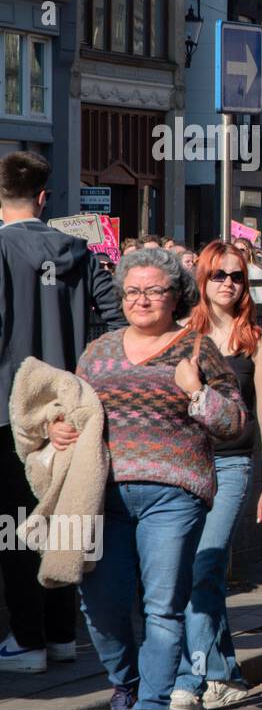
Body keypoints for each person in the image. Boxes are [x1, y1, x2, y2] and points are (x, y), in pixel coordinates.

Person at [59, 248, 246, 709]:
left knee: (163, 608)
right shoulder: (97, 352)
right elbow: (75, 412)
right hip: (104, 495)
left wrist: (197, 392)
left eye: (154, 291)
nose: (141, 300)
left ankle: (152, 704)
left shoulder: (198, 348)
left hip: (174, 494)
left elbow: (235, 422)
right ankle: (127, 682)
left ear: (176, 295)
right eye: (132, 291)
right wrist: (58, 427)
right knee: (100, 605)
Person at [0, 151, 126, 674]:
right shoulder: (77, 250)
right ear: (45, 198)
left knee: (13, 526)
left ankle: (26, 641)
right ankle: (60, 636)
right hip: (72, 409)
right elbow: (117, 319)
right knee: (60, 520)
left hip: (10, 412)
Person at [170, 242, 262, 710]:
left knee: (206, 565)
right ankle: (226, 673)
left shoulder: (256, 341)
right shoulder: (177, 336)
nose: (229, 284)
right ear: (202, 279)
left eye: (237, 276)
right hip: (182, 464)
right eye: (219, 275)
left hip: (232, 463)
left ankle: (189, 679)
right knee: (194, 574)